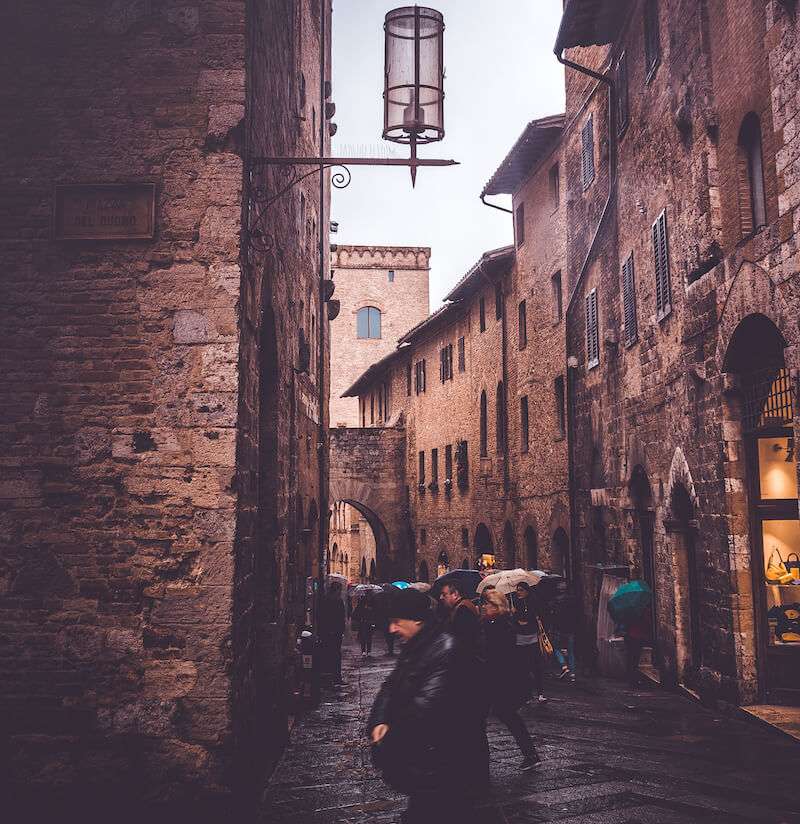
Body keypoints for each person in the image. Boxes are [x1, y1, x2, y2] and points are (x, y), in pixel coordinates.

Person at [368, 588, 488, 823]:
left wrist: (387, 739)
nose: (392, 629)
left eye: (396, 622)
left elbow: (423, 710)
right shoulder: (417, 646)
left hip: (443, 765)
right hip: (425, 766)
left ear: (417, 620)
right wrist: (379, 720)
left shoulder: (446, 650)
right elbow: (390, 686)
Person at [479, 589, 542, 771]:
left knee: (504, 714)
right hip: (500, 678)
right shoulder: (495, 622)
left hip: (502, 678)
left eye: (487, 604)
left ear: (496, 606)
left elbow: (497, 653)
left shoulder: (500, 624)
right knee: (505, 715)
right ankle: (530, 754)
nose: (484, 607)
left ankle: (530, 755)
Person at [510, 581, 547, 703]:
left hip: (532, 638)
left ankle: (540, 693)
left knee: (536, 666)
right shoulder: (515, 603)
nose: (518, 592)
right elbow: (515, 622)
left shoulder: (534, 601)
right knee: (523, 668)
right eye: (517, 590)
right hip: (520, 639)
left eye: (520, 590)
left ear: (527, 591)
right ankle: (527, 694)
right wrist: (514, 615)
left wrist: (524, 620)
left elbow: (537, 616)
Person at [549, 580, 578, 682]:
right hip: (570, 628)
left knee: (556, 648)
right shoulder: (573, 600)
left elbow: (551, 615)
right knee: (571, 651)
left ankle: (564, 666)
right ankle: (572, 674)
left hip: (558, 628)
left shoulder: (554, 601)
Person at [440, 579, 480, 651]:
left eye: (444, 594)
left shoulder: (462, 610)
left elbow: (465, 641)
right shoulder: (461, 607)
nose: (441, 597)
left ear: (455, 594)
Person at [319, 580, 346, 686]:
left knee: (328, 654)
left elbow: (320, 616)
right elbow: (341, 618)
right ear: (337, 590)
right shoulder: (338, 601)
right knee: (336, 655)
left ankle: (329, 678)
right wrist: (341, 631)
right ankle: (336, 678)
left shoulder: (324, 600)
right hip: (336, 633)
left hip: (326, 632)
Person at [352, 591, 377, 657]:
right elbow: (358, 610)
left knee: (369, 636)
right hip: (363, 621)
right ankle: (363, 651)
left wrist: (371, 609)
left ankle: (368, 651)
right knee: (363, 636)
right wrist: (364, 608)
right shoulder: (362, 601)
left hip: (371, 621)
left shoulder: (373, 601)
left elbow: (376, 610)